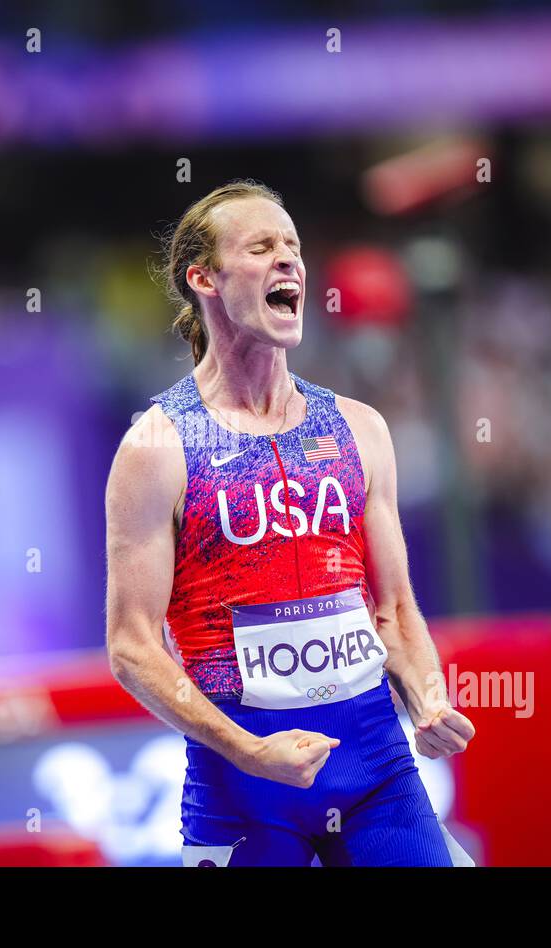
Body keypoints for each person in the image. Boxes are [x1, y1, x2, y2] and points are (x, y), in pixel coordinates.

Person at [104, 180, 475, 866]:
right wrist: (249, 750)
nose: (289, 262)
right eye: (262, 247)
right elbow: (131, 647)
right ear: (204, 278)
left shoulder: (360, 429)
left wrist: (427, 701)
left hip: (376, 772)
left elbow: (393, 609)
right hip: (243, 788)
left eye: (294, 248)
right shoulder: (155, 448)